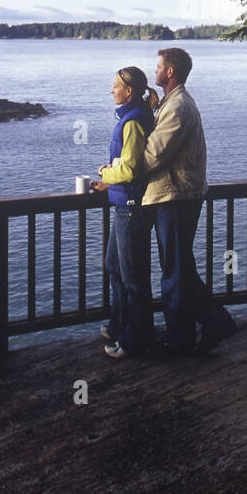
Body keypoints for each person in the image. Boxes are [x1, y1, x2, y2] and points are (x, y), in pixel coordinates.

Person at [140, 47, 236, 355]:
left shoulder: (178, 107)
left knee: (174, 270)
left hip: (176, 196)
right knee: (181, 267)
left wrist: (120, 168)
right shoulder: (172, 103)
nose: (154, 70)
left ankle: (178, 337)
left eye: (158, 66)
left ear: (170, 72)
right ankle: (216, 321)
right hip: (177, 194)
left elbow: (153, 155)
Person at [91, 66, 158, 359]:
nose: (111, 90)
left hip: (131, 209)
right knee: (115, 268)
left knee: (133, 278)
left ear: (128, 91)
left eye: (115, 85)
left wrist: (107, 174)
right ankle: (120, 325)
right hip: (123, 203)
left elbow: (130, 168)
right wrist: (110, 185)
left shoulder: (132, 122)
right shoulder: (134, 116)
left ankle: (136, 339)